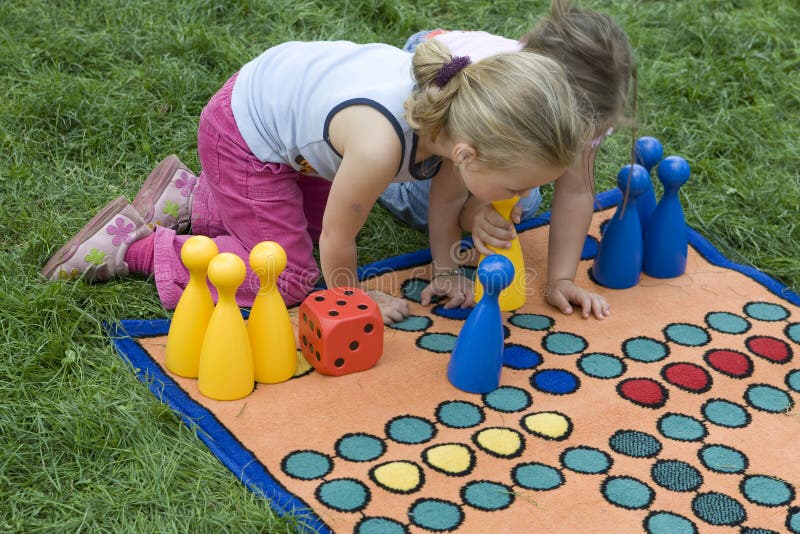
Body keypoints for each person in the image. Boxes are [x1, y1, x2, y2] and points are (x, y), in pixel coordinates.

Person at [41, 37, 588, 325]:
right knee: (290, 277)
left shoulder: (457, 121)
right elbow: (337, 239)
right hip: (244, 134)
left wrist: (446, 269)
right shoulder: (380, 148)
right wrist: (351, 297)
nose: (522, 198)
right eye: (517, 183)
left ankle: (194, 199)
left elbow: (446, 202)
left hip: (301, 140)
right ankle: (135, 248)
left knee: (292, 232)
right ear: (469, 153)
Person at [378, 0, 635, 320]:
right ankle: (377, 172)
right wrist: (446, 269)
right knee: (423, 203)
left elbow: (575, 190)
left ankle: (477, 205)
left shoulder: (590, 109)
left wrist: (561, 280)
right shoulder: (495, 101)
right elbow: (446, 196)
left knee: (521, 202)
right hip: (436, 78)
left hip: (483, 127)